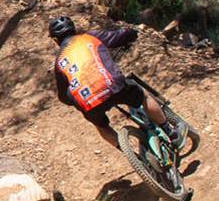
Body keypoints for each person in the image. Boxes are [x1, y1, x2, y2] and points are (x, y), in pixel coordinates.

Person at [48, 15, 172, 153]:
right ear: (73, 29)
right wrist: (133, 33)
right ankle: (169, 130)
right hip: (114, 86)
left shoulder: (59, 62)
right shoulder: (90, 38)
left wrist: (79, 100)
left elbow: (63, 97)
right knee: (144, 97)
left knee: (102, 127)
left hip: (89, 103)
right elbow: (118, 36)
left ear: (55, 40)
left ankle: (132, 156)